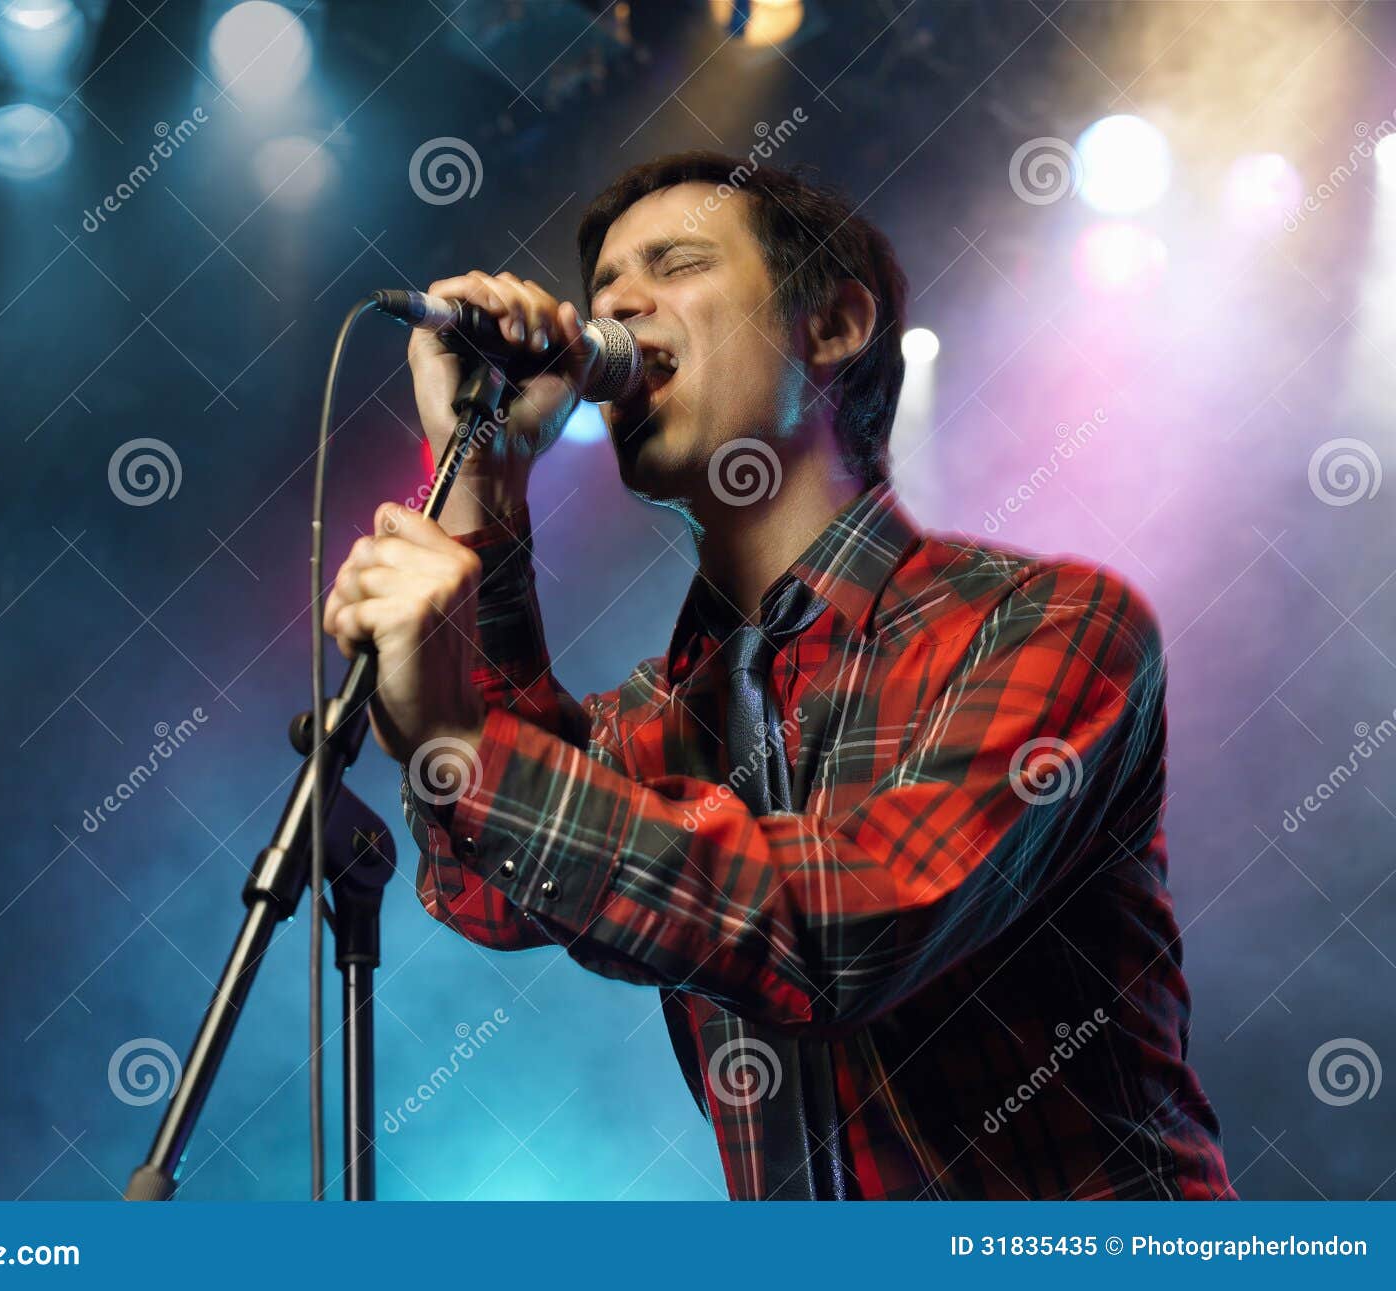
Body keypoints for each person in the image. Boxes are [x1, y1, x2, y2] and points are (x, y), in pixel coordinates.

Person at [322, 151, 1233, 1200]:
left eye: (674, 263)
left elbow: (847, 932)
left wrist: (465, 747)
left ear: (835, 326)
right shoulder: (656, 715)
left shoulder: (1050, 623)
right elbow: (484, 888)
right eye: (603, 284)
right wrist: (477, 468)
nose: (613, 304)